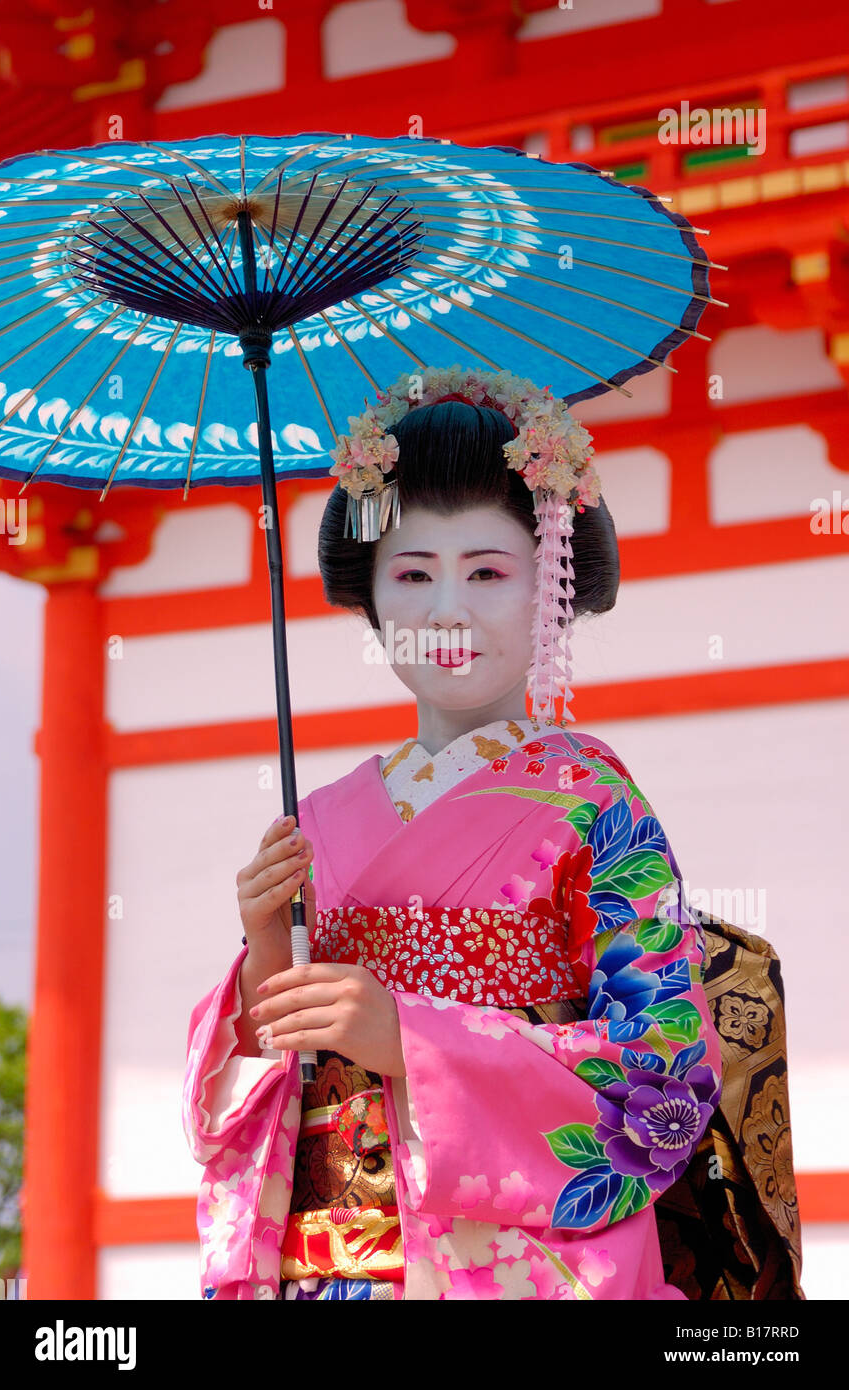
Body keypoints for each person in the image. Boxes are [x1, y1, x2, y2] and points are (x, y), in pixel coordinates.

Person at [182, 367, 724, 1300]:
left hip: (521, 1269)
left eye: (486, 571)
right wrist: (268, 960)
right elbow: (256, 1099)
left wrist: (411, 1041)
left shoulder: (591, 802)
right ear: (373, 598)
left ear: (551, 582)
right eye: (413, 574)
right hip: (330, 1271)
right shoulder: (321, 819)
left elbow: (666, 1081)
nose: (445, 612)